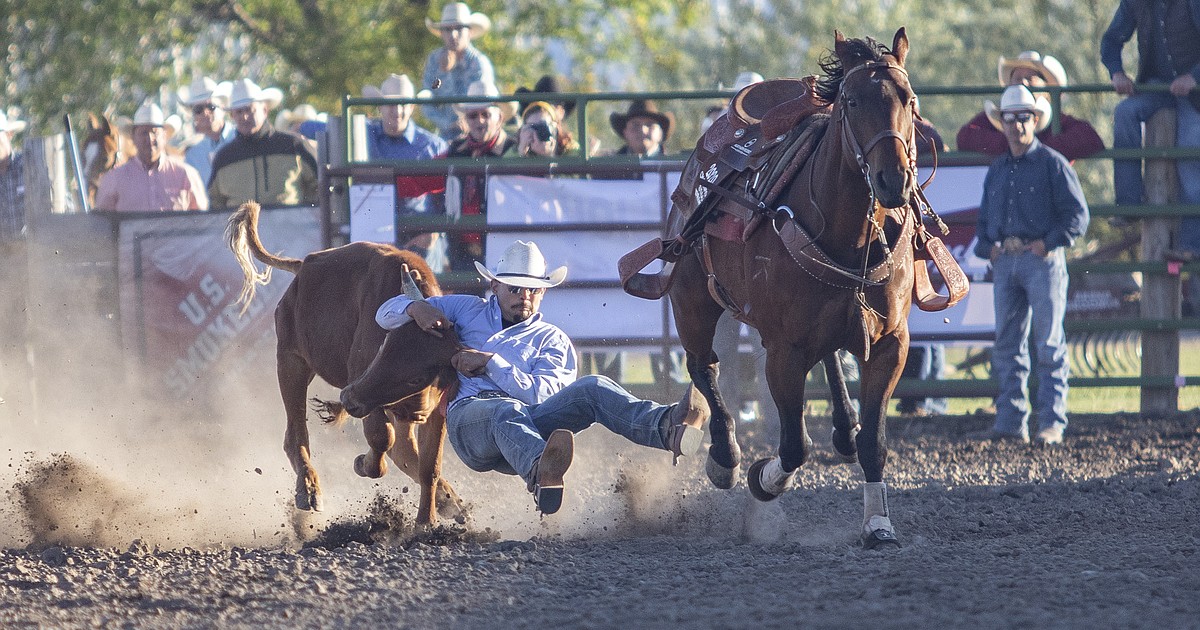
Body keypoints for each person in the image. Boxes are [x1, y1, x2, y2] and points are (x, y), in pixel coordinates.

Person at [374, 240, 709, 514]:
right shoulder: (464, 308)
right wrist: (415, 308)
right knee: (503, 410)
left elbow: (543, 396)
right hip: (472, 422)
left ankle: (666, 427)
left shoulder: (552, 340)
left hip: (529, 422)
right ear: (495, 286)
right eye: (516, 289)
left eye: (533, 290)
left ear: (543, 292)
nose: (525, 297)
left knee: (593, 387)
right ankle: (541, 470)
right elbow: (384, 314)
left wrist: (491, 363)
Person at [972, 86, 1090, 446]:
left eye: (1023, 117)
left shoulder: (1052, 163)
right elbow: (983, 221)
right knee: (1009, 345)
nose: (1016, 125)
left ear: (1035, 120)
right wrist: (990, 248)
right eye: (1010, 118)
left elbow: (1077, 217)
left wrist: (1046, 244)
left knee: (1047, 345)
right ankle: (1013, 422)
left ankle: (1048, 421)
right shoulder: (1000, 168)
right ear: (1003, 123)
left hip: (1040, 259)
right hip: (1011, 260)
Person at [1101, 0, 1200, 217]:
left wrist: (1193, 77)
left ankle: (1193, 235)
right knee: (1125, 113)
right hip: (1156, 88)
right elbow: (1111, 40)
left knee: (1191, 150)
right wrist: (1117, 73)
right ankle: (1128, 207)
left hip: (1195, 94)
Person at [363, 73, 449, 268]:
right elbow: (316, 128)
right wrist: (299, 127)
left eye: (404, 104)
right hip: (374, 234)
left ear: (411, 108)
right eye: (391, 105)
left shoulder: (433, 146)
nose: (398, 111)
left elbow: (447, 200)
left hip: (419, 237)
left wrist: (433, 234)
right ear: (380, 107)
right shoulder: (363, 134)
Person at [957, 51, 1104, 162]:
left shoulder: (1058, 120)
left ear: (1046, 88)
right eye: (1017, 78)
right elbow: (965, 137)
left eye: (1030, 78)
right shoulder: (996, 118)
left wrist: (1034, 151)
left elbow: (1089, 138)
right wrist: (1014, 145)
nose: (1023, 83)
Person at [207, 78, 319, 209]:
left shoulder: (294, 146)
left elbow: (319, 188)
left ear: (265, 110)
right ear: (232, 115)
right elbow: (215, 203)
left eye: (249, 110)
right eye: (239, 111)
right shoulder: (224, 158)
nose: (244, 117)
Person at [443, 80, 517, 274]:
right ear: (466, 120)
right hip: (462, 251)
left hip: (503, 248)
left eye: (486, 114)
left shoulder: (513, 151)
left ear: (499, 118)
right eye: (473, 115)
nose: (480, 121)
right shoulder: (456, 151)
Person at [94, 102, 209, 212]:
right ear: (133, 137)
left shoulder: (185, 174)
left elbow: (202, 218)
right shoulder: (114, 179)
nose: (149, 138)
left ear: (164, 136)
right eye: (143, 133)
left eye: (155, 132)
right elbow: (101, 221)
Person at [422, 2, 496, 140]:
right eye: (447, 29)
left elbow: (484, 105)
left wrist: (466, 121)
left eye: (459, 28)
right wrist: (447, 123)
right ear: (442, 33)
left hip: (477, 137)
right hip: (444, 137)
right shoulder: (433, 60)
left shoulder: (479, 63)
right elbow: (426, 99)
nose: (453, 34)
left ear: (469, 32)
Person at [179, 75, 234, 185]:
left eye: (211, 106)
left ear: (222, 107)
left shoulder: (239, 137)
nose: (205, 113)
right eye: (198, 110)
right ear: (193, 115)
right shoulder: (192, 154)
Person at [609, 99, 674, 157]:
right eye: (635, 125)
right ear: (625, 132)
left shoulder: (675, 164)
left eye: (649, 124)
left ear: (660, 133)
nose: (643, 130)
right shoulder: (609, 165)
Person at [515, 101, 579, 158]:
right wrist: (522, 154)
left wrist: (551, 154)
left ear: (555, 129)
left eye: (543, 127)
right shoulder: (513, 154)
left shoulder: (572, 153)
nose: (540, 132)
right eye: (533, 128)